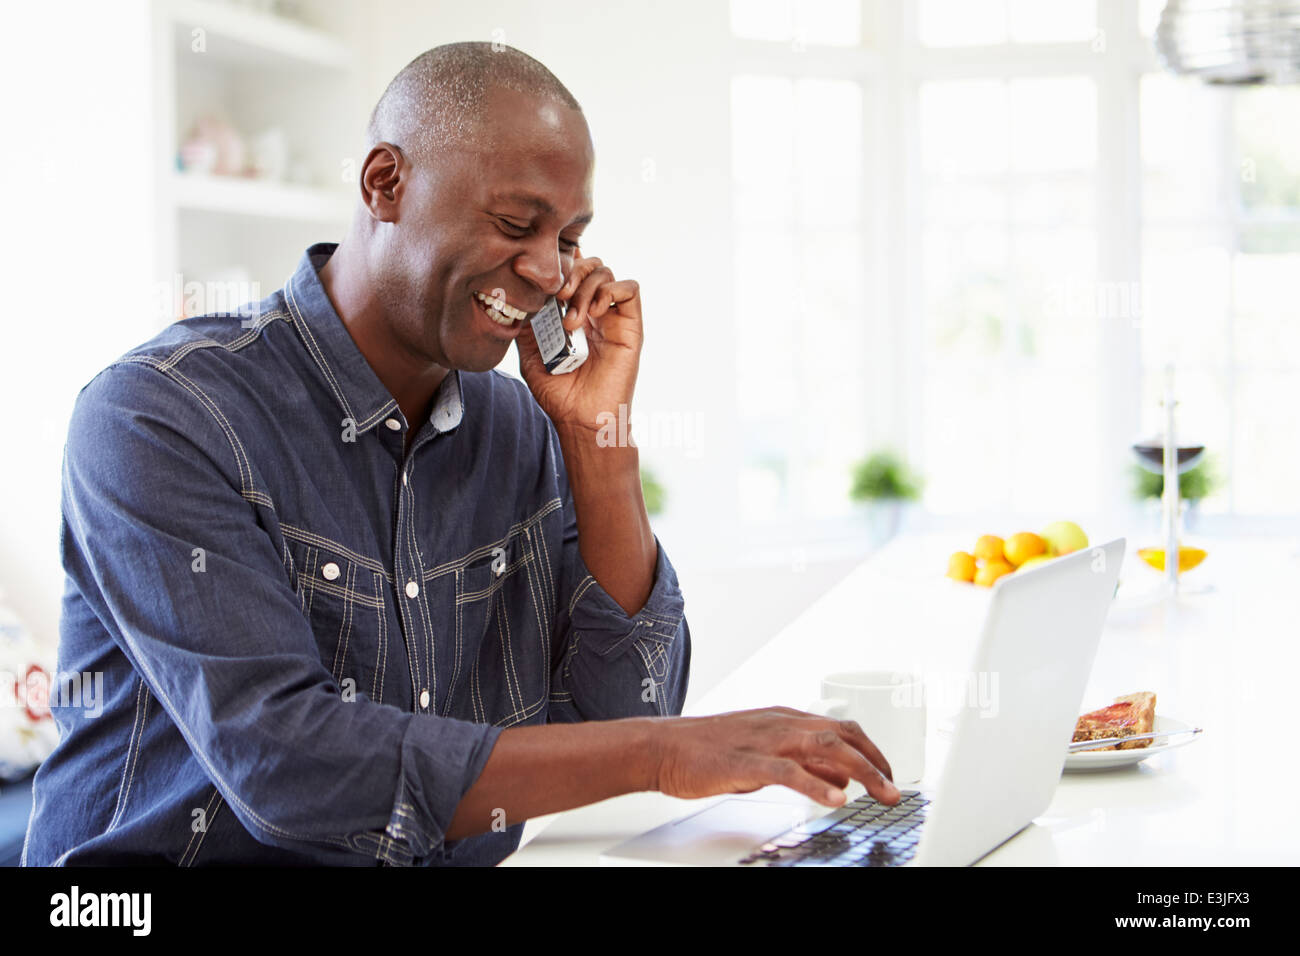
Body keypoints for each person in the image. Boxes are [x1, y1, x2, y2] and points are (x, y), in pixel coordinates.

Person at [23, 41, 898, 867]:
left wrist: (599, 444)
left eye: (567, 236)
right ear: (385, 183)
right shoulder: (161, 417)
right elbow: (289, 765)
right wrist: (668, 754)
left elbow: (621, 712)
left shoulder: (515, 430)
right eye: (519, 222)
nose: (553, 273)